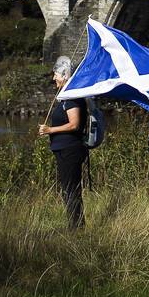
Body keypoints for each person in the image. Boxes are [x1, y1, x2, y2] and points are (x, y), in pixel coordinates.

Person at [38, 57, 87, 229]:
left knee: (71, 190)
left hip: (70, 150)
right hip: (63, 149)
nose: (53, 78)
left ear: (65, 76)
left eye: (56, 75)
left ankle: (76, 228)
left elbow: (74, 124)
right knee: (68, 189)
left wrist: (50, 130)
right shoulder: (65, 96)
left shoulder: (72, 97)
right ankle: (76, 225)